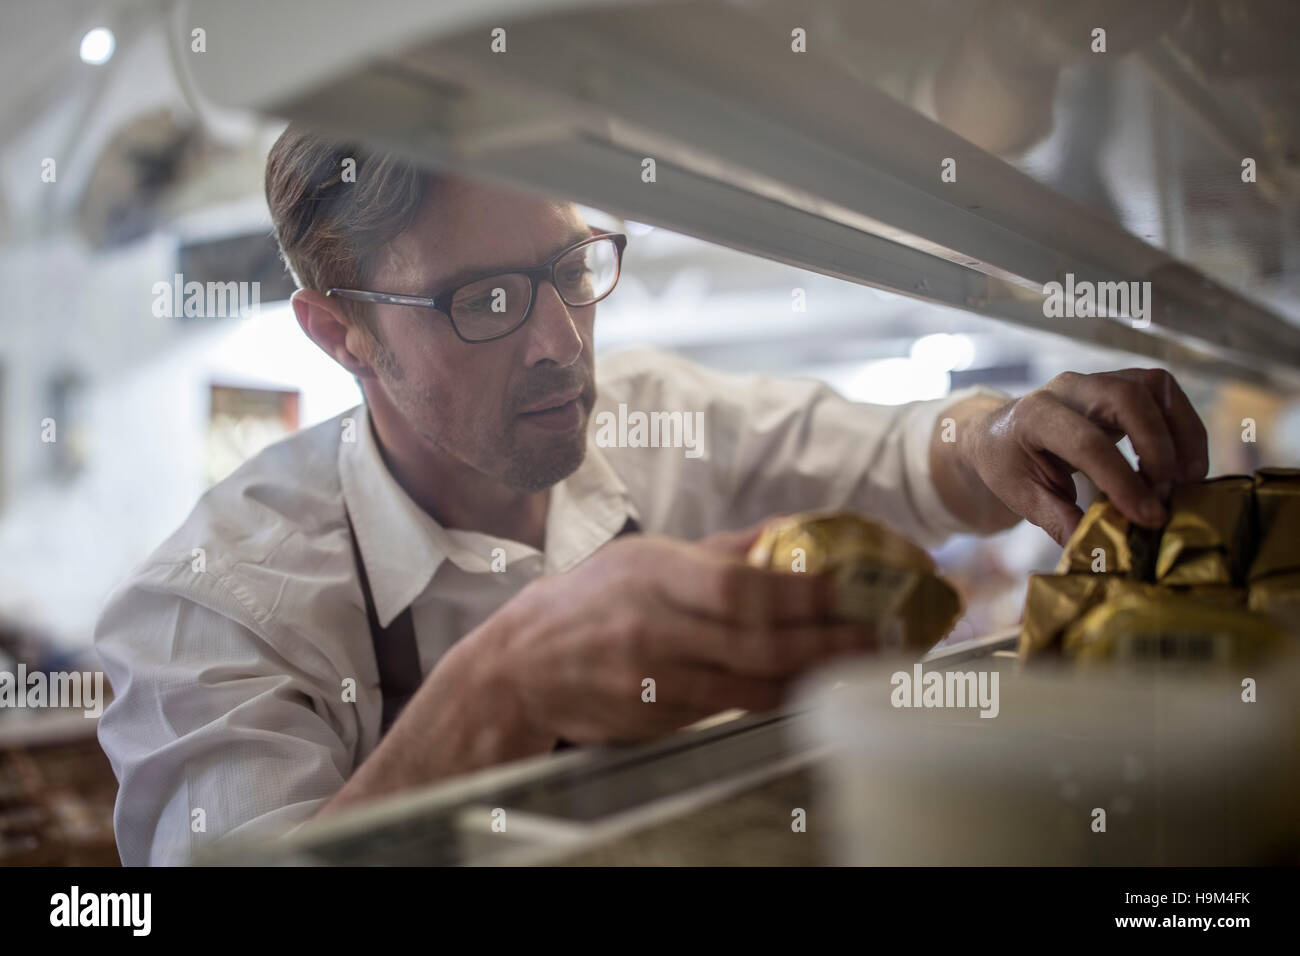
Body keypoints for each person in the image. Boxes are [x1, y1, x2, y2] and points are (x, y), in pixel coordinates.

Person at [95, 124, 1209, 865]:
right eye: (483, 298)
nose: (560, 340)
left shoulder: (655, 412)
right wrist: (501, 685)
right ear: (340, 332)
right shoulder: (217, 610)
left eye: (571, 267)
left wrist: (1005, 431)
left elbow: (909, 453)